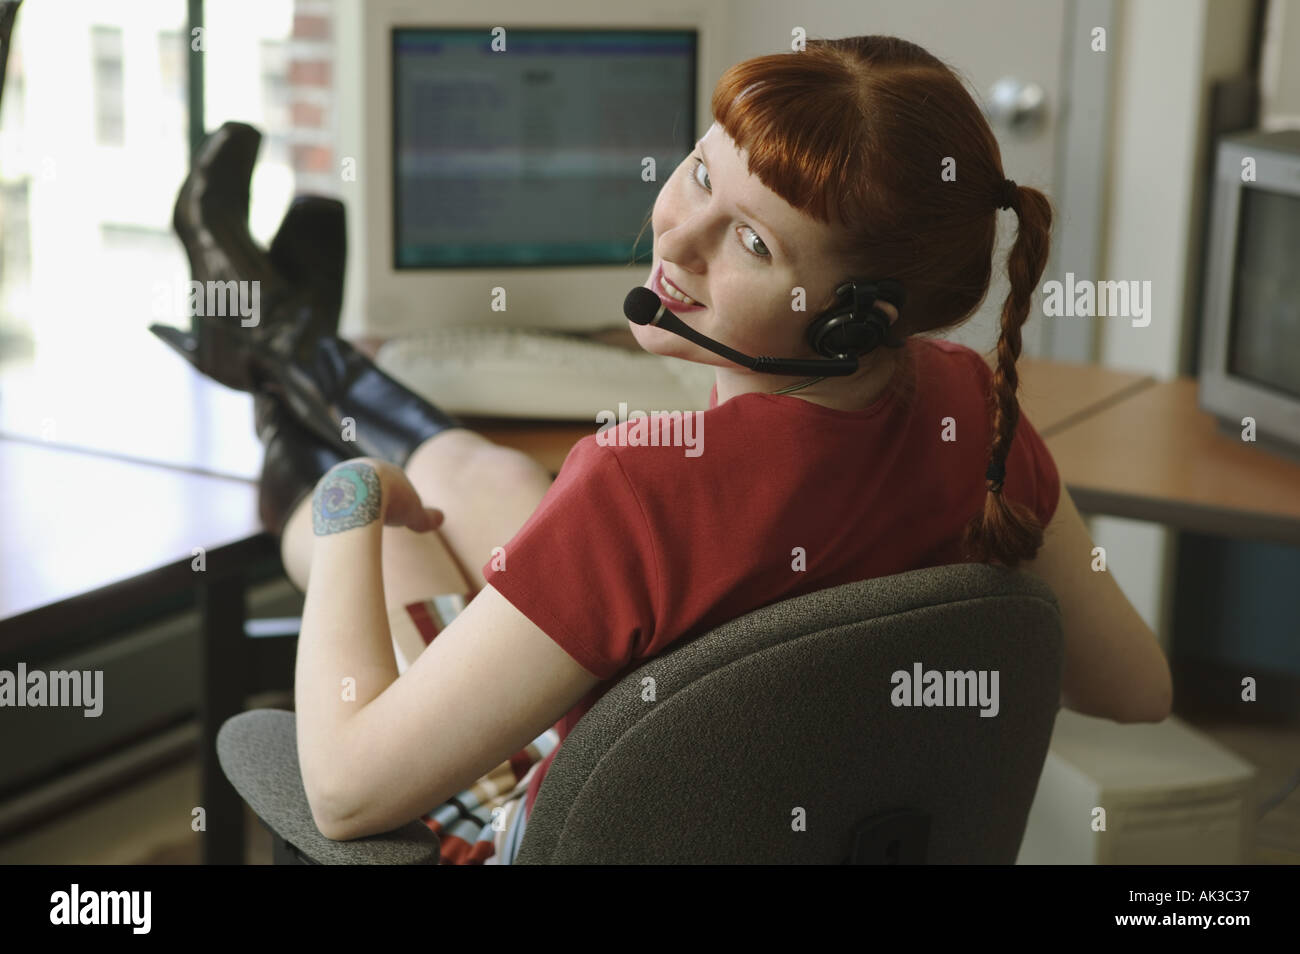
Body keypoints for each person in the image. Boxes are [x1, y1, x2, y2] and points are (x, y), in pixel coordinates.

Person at [153, 35, 1172, 864]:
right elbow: (1138, 690)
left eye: (753, 243)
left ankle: (285, 390)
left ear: (855, 319)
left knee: (364, 526)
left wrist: (348, 509)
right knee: (490, 475)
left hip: (547, 833)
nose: (678, 241)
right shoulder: (974, 415)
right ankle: (287, 351)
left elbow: (340, 793)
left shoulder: (644, 489)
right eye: (698, 174)